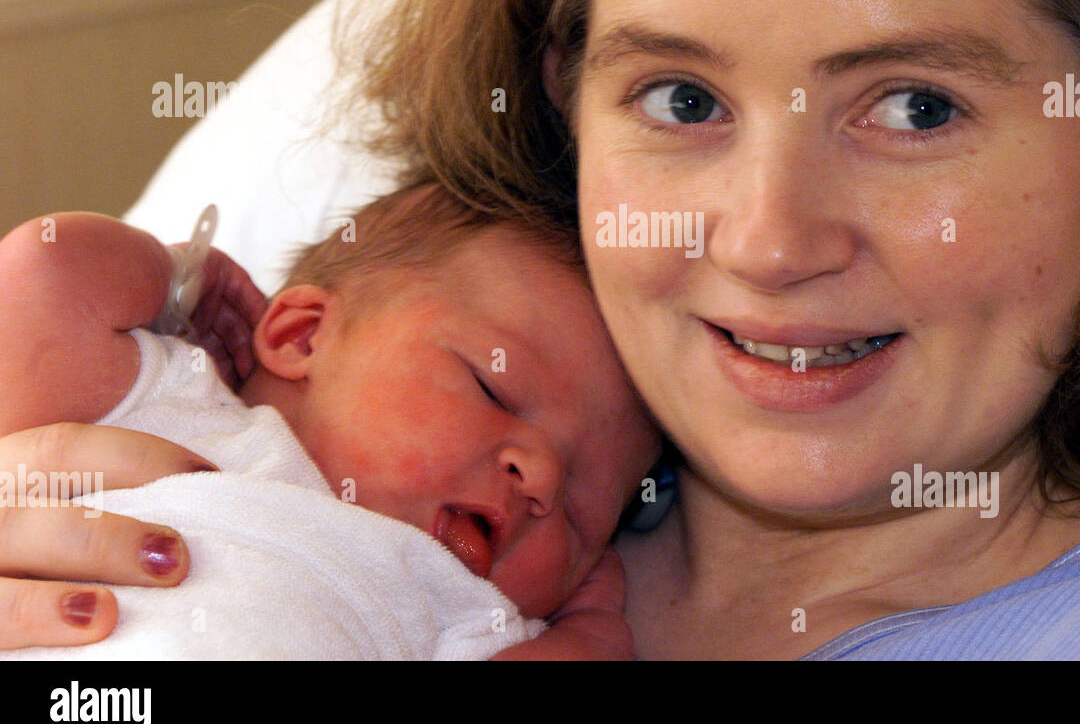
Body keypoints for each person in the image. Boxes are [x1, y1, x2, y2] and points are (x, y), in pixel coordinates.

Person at [4, 0, 1080, 659]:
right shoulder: (408, 497)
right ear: (568, 104)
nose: (771, 237)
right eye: (683, 99)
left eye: (916, 106)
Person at [0, 182, 660, 658]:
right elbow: (40, 278)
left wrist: (594, 633)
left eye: (582, 508)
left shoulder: (457, 615)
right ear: (301, 337)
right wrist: (178, 281)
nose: (541, 475)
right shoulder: (181, 412)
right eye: (493, 388)